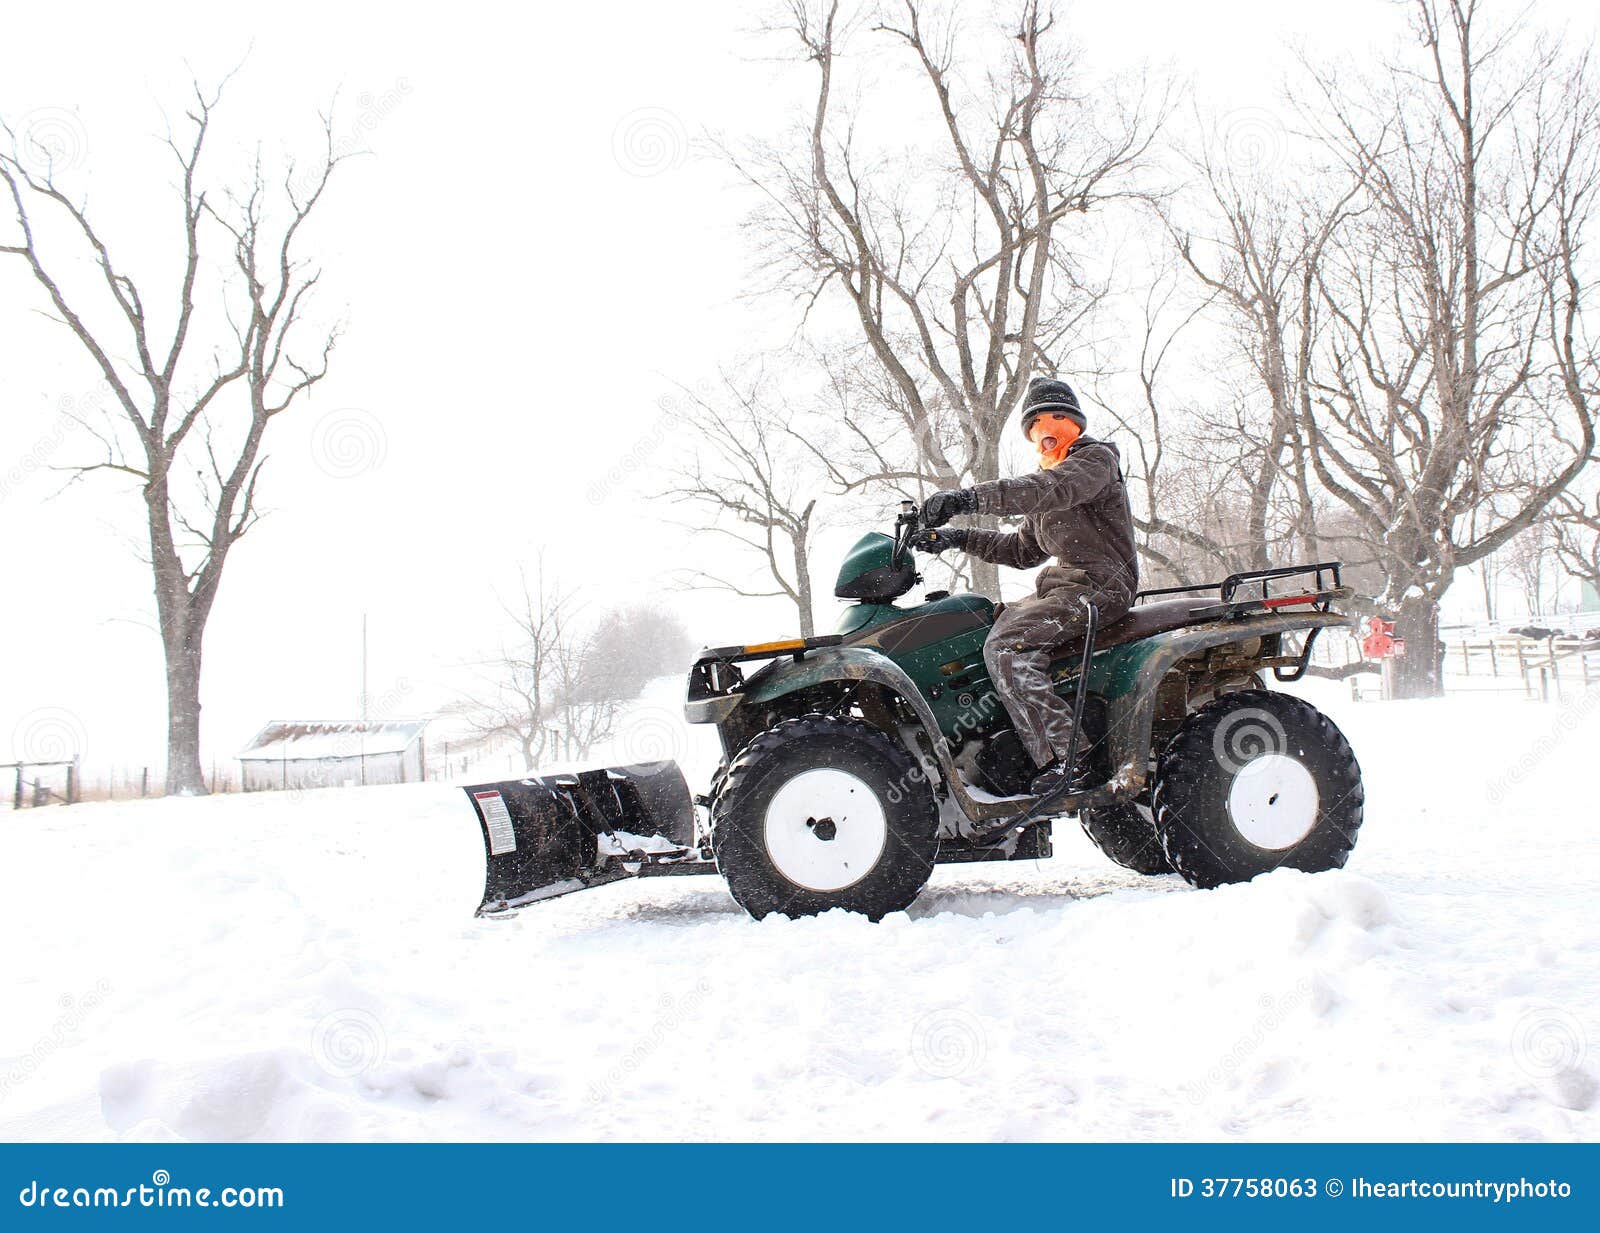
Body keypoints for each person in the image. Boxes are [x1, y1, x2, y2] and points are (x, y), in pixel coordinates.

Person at [909, 376, 1138, 796]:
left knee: (1007, 648)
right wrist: (956, 537)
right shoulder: (1049, 483)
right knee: (983, 623)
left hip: (1101, 585)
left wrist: (967, 499)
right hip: (1064, 588)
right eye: (1035, 424)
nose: (1045, 430)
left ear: (1075, 423)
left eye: (1057, 418)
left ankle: (1070, 759)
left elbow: (1050, 489)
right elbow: (1021, 550)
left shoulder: (1094, 461)